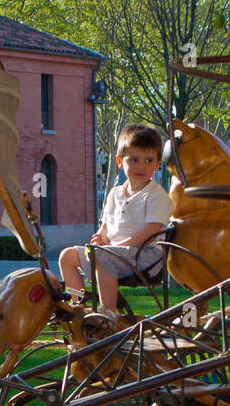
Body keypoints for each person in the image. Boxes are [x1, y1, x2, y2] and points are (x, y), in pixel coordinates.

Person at [58, 124, 171, 317]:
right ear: (120, 161)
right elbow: (106, 226)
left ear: (158, 163)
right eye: (134, 160)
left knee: (103, 255)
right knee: (67, 256)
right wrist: (101, 239)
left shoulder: (156, 196)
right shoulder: (115, 193)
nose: (141, 166)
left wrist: (111, 249)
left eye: (148, 160)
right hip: (113, 253)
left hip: (145, 255)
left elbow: (151, 231)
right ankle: (77, 304)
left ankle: (107, 313)